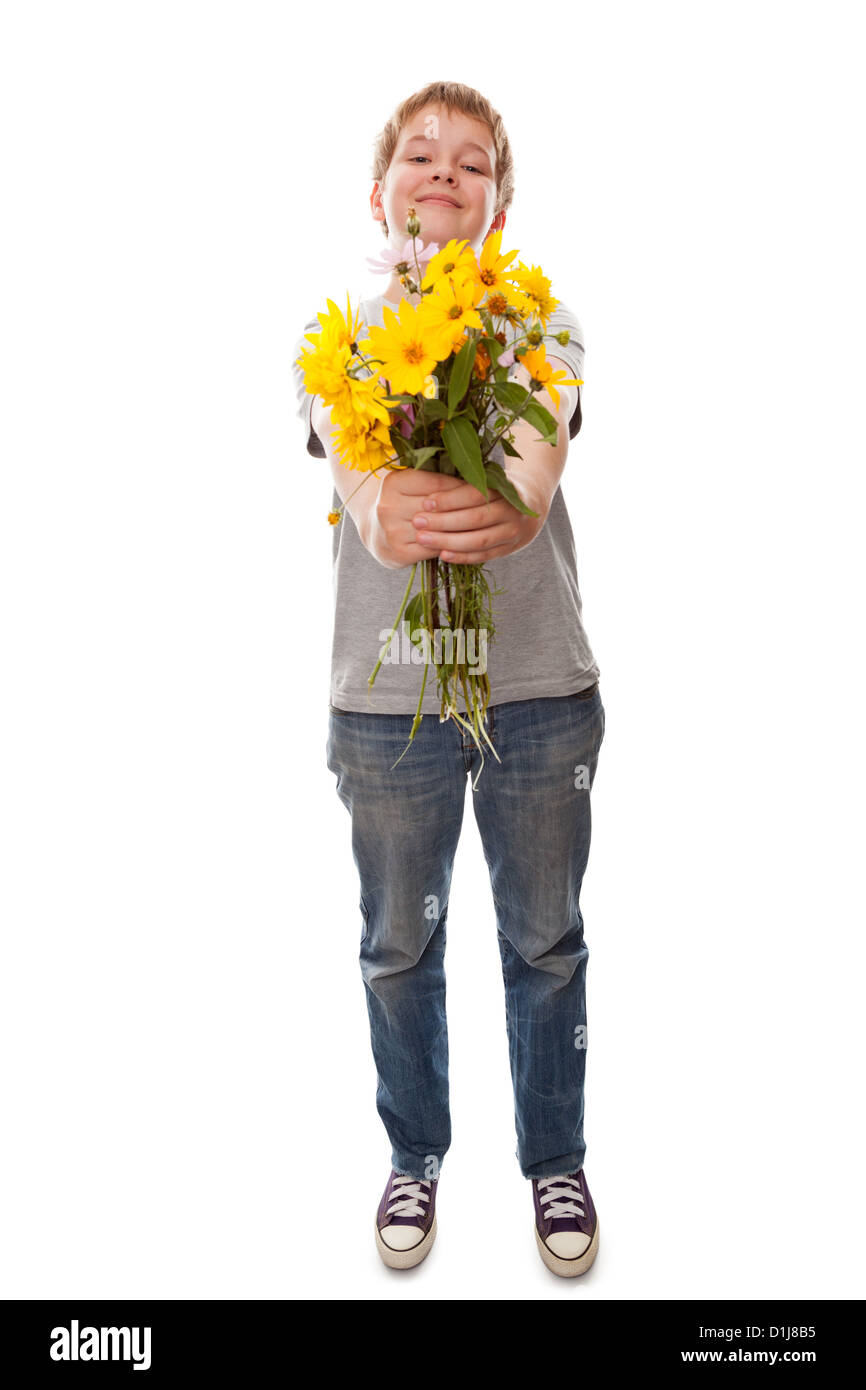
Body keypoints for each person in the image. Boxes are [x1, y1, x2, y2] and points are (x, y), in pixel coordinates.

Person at [291, 80, 605, 1278]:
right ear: (380, 195)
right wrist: (380, 501)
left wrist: (502, 500)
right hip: (386, 708)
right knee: (395, 948)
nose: (443, 171)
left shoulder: (545, 325)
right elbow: (365, 491)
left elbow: (525, 477)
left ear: (497, 207)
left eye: (471, 163)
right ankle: (411, 1151)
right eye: (419, 155)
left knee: (545, 946)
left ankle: (555, 1160)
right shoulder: (344, 343)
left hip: (534, 694)